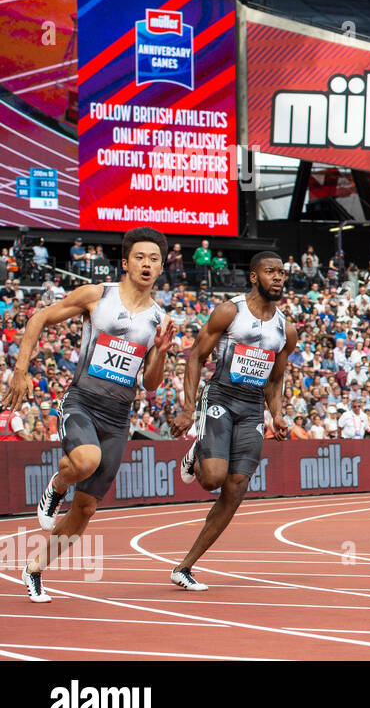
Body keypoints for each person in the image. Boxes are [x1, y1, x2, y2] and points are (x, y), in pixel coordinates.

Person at [5, 227, 174, 603]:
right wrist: (21, 370)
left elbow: (150, 383)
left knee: (85, 510)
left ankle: (34, 569)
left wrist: (160, 352)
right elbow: (38, 320)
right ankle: (56, 487)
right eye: (140, 257)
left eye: (154, 259)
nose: (146, 264)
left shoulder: (158, 320)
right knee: (85, 459)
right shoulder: (98, 296)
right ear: (126, 262)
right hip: (82, 400)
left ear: (161, 268)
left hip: (118, 417)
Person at [169, 252, 297, 590]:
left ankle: (185, 566)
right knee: (212, 479)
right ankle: (198, 453)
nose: (278, 278)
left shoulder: (286, 328)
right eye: (271, 271)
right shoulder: (231, 311)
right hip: (222, 397)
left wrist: (278, 414)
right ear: (254, 276)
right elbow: (196, 356)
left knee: (236, 488)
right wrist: (187, 408)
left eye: (282, 273)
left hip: (252, 408)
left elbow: (274, 379)